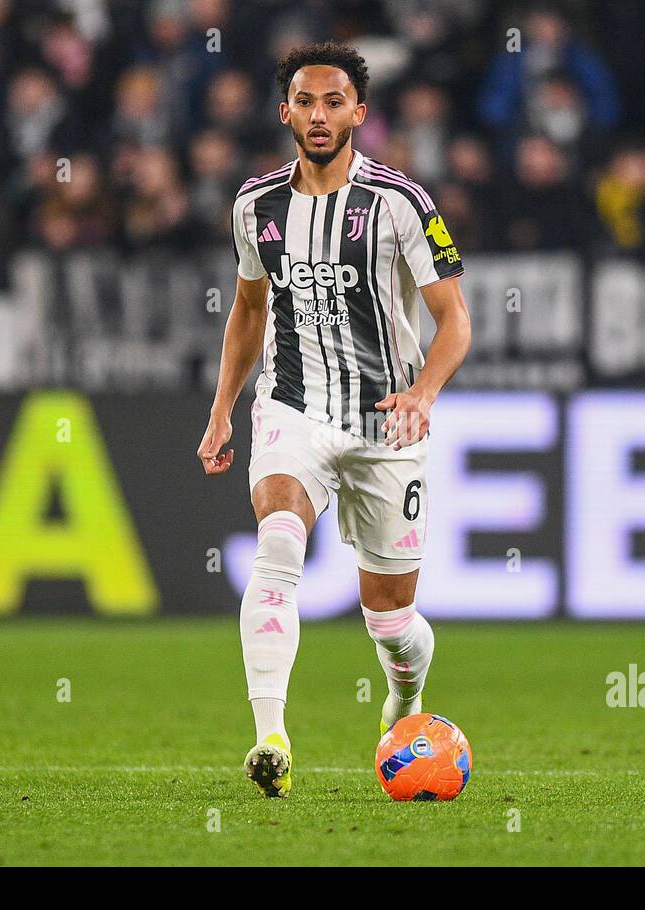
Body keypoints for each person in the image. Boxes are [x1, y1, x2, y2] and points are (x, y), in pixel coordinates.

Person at [195, 41, 471, 798]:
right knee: (278, 538)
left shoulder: (401, 203)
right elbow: (249, 309)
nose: (319, 116)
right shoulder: (256, 205)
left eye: (334, 102)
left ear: (360, 112)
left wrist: (423, 393)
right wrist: (223, 409)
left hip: (386, 425)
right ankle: (270, 735)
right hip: (293, 408)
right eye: (306, 102)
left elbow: (454, 323)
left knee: (392, 624)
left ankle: (406, 701)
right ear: (285, 111)